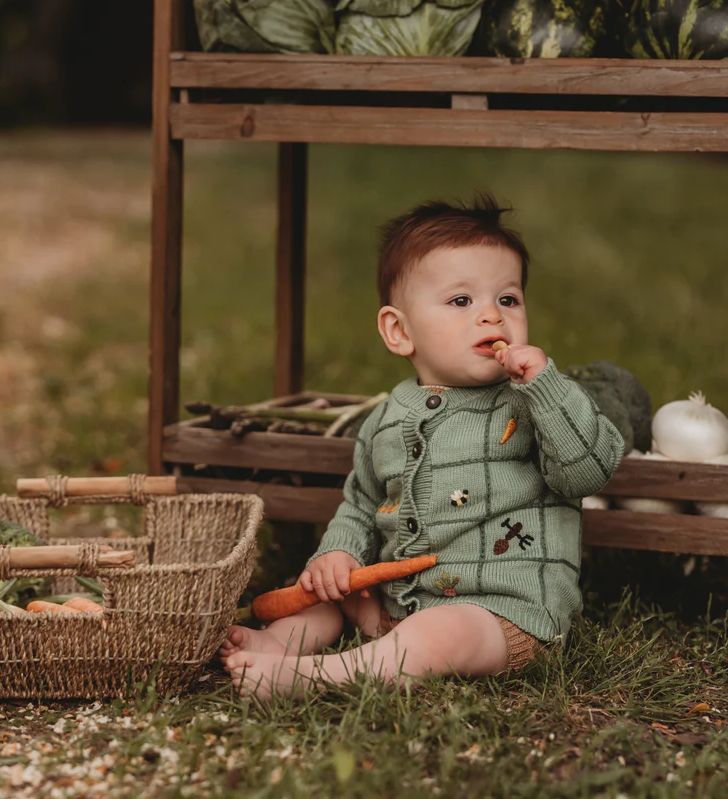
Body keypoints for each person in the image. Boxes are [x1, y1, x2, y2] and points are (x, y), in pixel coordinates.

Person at [219, 193, 624, 699]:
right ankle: (279, 642)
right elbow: (362, 503)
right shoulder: (387, 417)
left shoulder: (535, 401)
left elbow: (588, 471)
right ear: (399, 330)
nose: (491, 317)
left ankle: (323, 677)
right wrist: (338, 554)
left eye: (508, 299)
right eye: (462, 301)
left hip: (500, 615)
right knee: (325, 598)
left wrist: (547, 386)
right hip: (395, 605)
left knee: (438, 634)